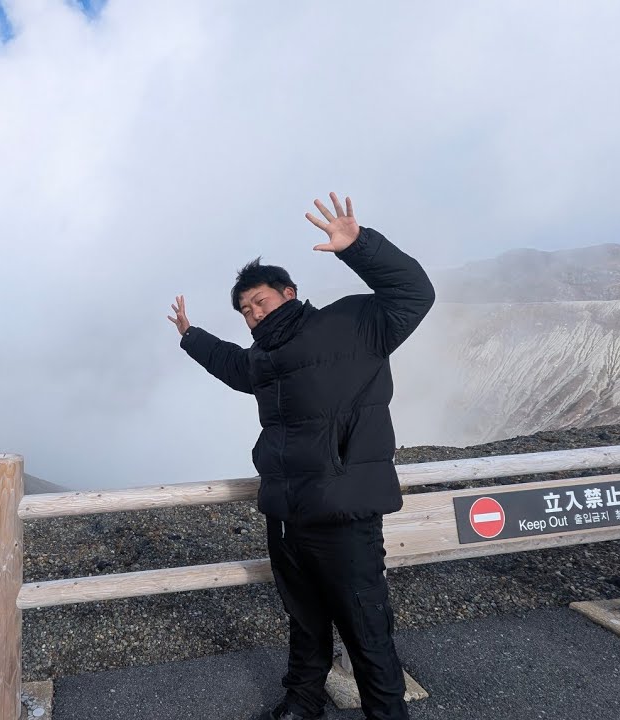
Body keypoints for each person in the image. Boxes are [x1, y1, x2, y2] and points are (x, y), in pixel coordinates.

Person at [168, 193, 435, 720]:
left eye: (260, 302)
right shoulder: (264, 359)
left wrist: (358, 246)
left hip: (343, 510)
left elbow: (413, 293)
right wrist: (190, 337)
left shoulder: (353, 322)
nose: (253, 314)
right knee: (305, 617)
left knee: (366, 629)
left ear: (289, 293)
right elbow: (235, 367)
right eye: (245, 310)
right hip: (287, 513)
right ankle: (303, 702)